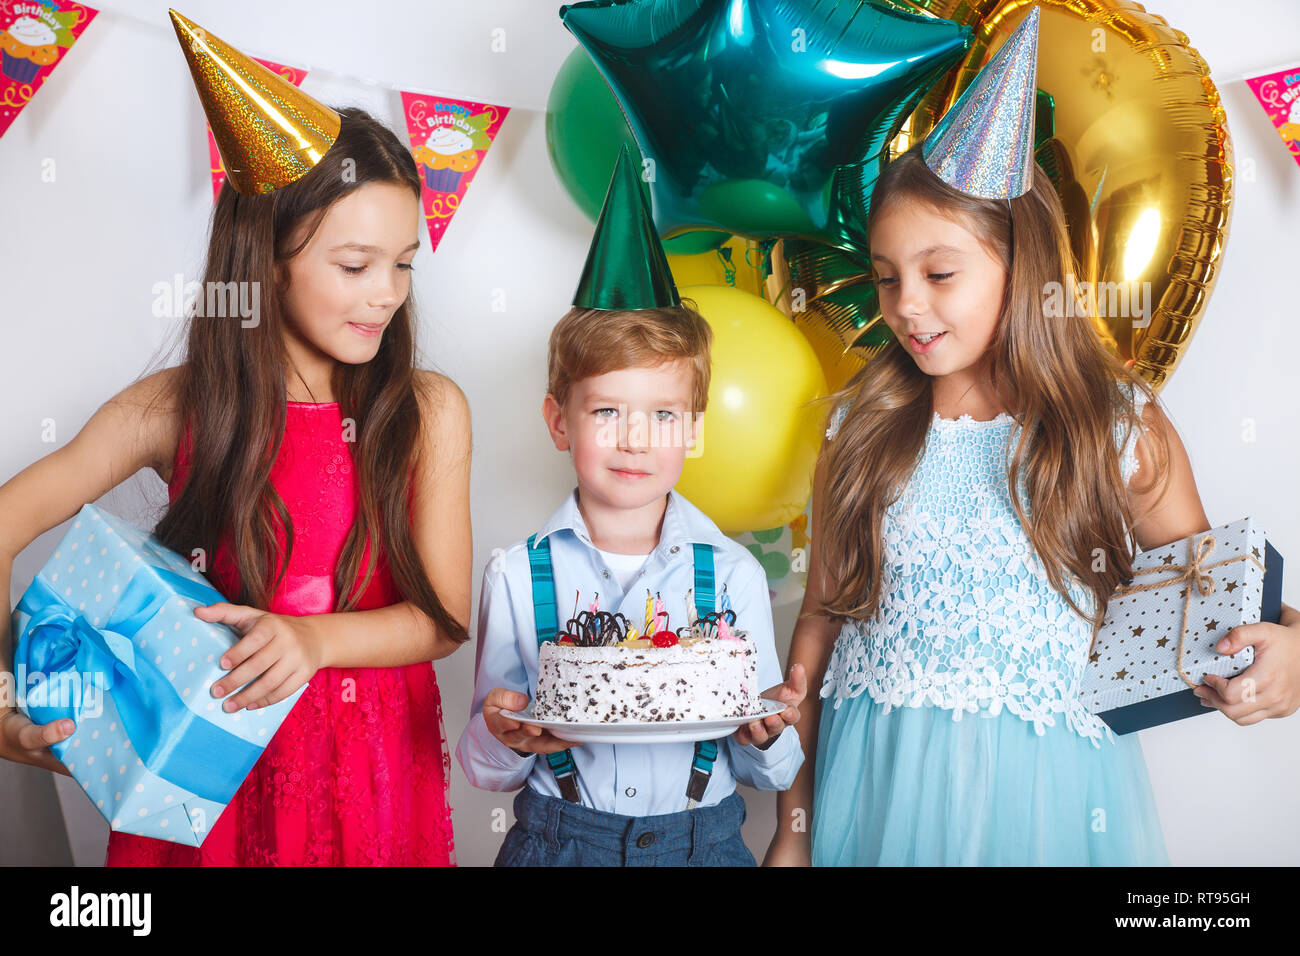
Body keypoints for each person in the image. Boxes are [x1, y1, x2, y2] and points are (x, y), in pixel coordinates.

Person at [768, 9, 1298, 866]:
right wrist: (794, 835)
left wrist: (1292, 645)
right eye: (887, 277)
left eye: (940, 274)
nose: (906, 304)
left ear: (1024, 265)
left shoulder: (1117, 429)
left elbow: (1214, 597)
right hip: (874, 791)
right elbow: (820, 632)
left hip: (1046, 800)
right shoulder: (858, 428)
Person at [0, 11, 471, 865]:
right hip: (205, 775)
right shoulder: (174, 407)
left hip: (362, 776)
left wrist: (317, 641)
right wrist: (2, 698)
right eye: (355, 264)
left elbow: (441, 621)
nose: (387, 294)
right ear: (268, 259)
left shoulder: (428, 410)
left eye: (404, 262)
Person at [456, 146, 806, 866]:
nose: (635, 438)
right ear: (559, 422)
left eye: (664, 415)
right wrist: (500, 731)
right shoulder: (518, 577)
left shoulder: (732, 575)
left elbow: (767, 769)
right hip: (560, 843)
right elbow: (489, 772)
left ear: (697, 429)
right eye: (607, 410)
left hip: (701, 844)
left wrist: (771, 731)